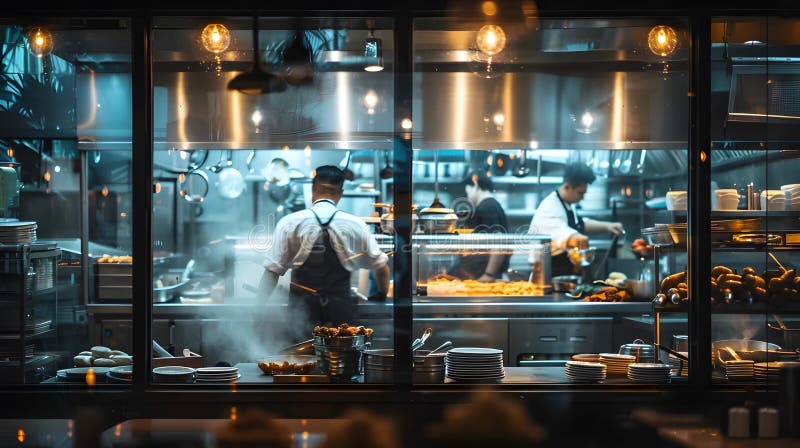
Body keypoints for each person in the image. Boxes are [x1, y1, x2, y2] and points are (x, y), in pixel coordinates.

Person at [260, 165, 390, 327]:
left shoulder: (289, 223)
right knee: (339, 350)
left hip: (301, 317)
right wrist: (380, 295)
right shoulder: (355, 224)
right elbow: (381, 267)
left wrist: (258, 307)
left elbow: (271, 272)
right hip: (340, 318)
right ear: (340, 193)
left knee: (300, 352)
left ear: (313, 190)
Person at [529, 162, 623, 277]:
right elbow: (573, 238)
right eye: (580, 193)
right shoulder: (550, 209)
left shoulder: (566, 203)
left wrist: (608, 226)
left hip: (563, 273)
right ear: (567, 186)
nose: (582, 197)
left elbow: (580, 224)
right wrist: (582, 242)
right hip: (548, 275)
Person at [448, 170, 509, 282]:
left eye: (468, 192)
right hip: (474, 276)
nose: (468, 197)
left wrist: (489, 275)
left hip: (480, 277)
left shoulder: (486, 208)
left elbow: (499, 242)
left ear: (475, 185)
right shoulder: (492, 206)